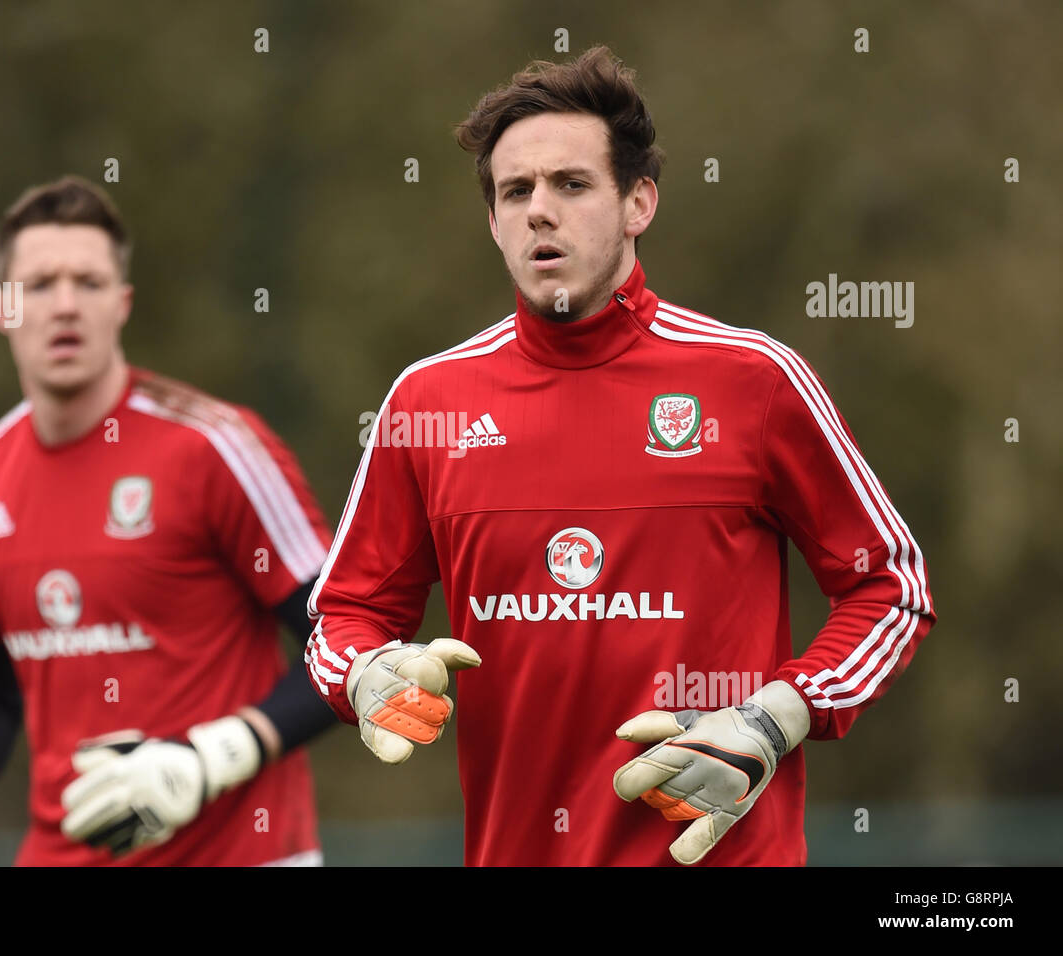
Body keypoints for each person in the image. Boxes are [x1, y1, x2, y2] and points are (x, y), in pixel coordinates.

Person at [305, 47, 935, 866]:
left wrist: (774, 719)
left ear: (639, 202)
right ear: (493, 222)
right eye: (515, 191)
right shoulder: (428, 402)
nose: (540, 211)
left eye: (571, 185)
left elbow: (891, 586)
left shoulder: (751, 380)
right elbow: (344, 615)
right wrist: (367, 676)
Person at [0, 175, 336, 866]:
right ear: (0, 308)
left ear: (122, 304)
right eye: (40, 284)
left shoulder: (215, 445)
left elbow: (343, 641)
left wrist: (208, 760)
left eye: (90, 282)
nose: (66, 305)